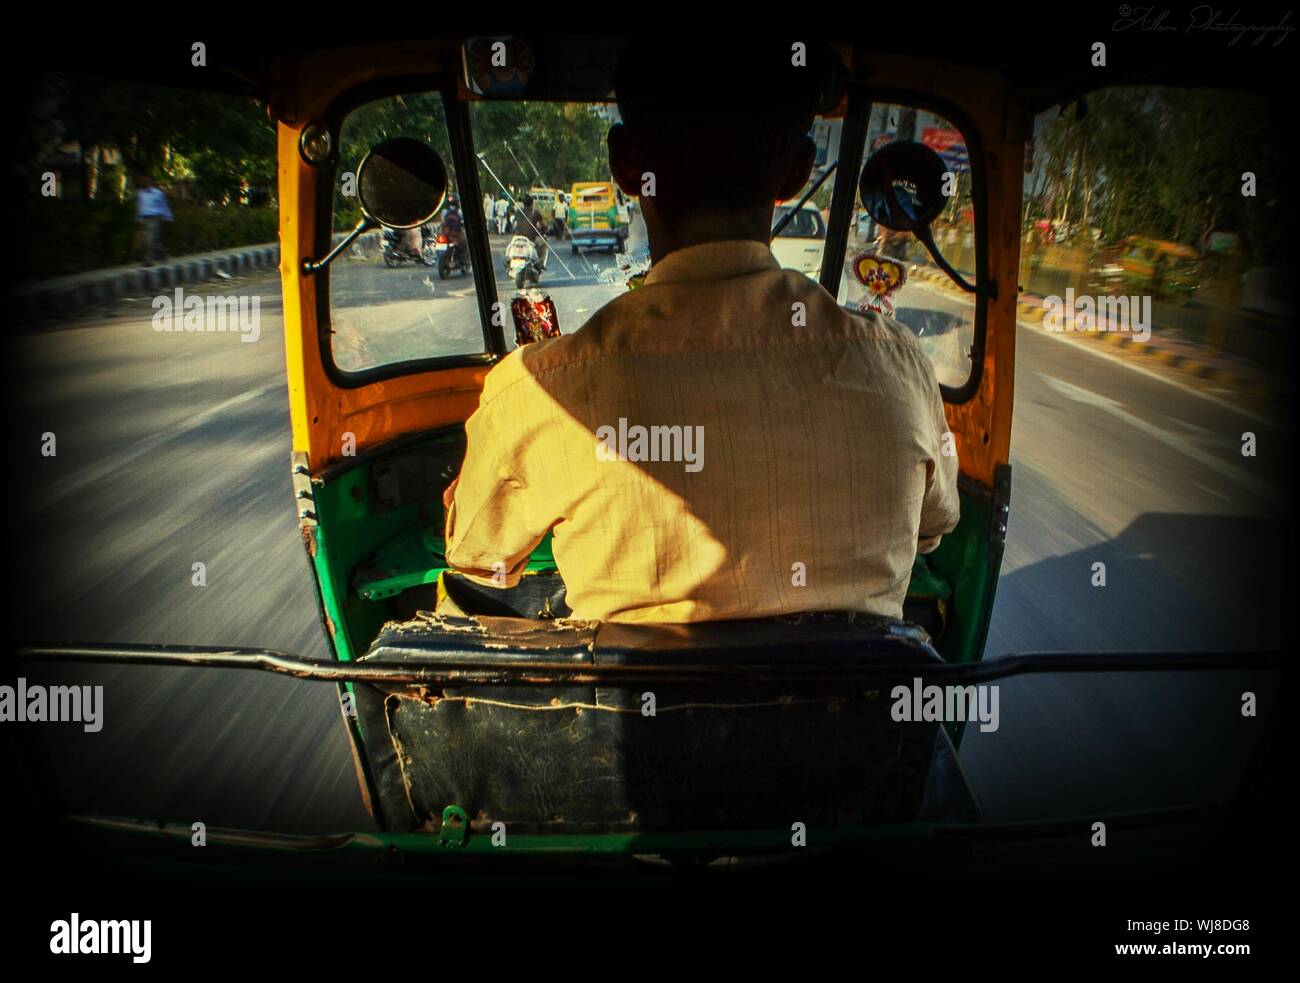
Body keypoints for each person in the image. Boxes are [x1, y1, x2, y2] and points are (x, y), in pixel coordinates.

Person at [442, 37, 959, 625]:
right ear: (795, 170)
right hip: (861, 715)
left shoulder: (539, 390)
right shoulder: (899, 369)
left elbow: (476, 556)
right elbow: (934, 526)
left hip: (633, 718)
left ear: (625, 166)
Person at [134, 173, 173, 265]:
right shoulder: (140, 194)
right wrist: (138, 218)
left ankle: (148, 260)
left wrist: (168, 216)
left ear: (150, 182)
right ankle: (163, 254)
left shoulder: (157, 193)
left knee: (150, 239)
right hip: (144, 219)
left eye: (146, 181)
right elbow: (140, 206)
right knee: (147, 240)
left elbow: (164, 205)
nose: (144, 183)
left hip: (155, 218)